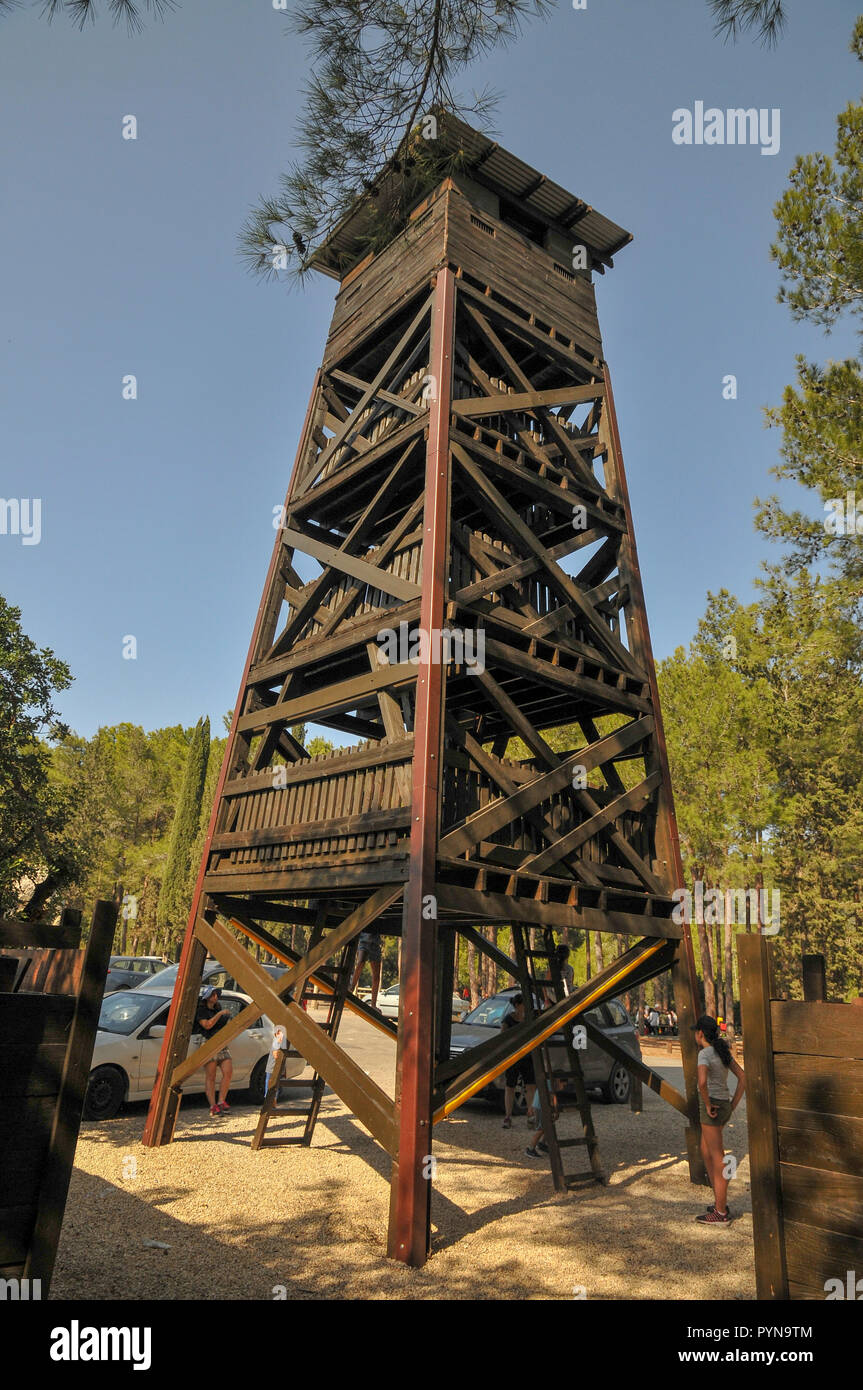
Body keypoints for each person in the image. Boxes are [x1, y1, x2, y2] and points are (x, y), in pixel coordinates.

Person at [692, 1013, 745, 1224]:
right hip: (723, 1104)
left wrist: (706, 1103)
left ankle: (721, 1212)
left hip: (711, 1106)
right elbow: (743, 1077)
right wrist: (732, 1105)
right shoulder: (722, 1052)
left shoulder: (704, 1054)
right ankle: (719, 1201)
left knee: (717, 1156)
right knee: (705, 1150)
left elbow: (702, 1083)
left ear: (700, 1033)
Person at [195, 985, 233, 1118]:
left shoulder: (218, 1007)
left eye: (217, 994)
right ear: (207, 997)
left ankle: (221, 1101)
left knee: (228, 1072)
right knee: (211, 1076)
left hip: (220, 1042)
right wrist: (220, 1014)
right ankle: (213, 1106)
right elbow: (207, 1025)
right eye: (213, 995)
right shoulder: (201, 1010)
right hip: (208, 1042)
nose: (216, 997)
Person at [501, 994, 529, 1129]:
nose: (526, 1007)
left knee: (531, 1085)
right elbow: (502, 1037)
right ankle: (507, 1116)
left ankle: (531, 1115)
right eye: (524, 1003)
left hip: (527, 1055)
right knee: (510, 1086)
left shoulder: (528, 1018)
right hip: (512, 1056)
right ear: (517, 1005)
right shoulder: (508, 1019)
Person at [350, 926, 383, 1008]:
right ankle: (351, 989)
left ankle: (373, 1004)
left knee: (376, 976)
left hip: (375, 944)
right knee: (360, 963)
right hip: (364, 942)